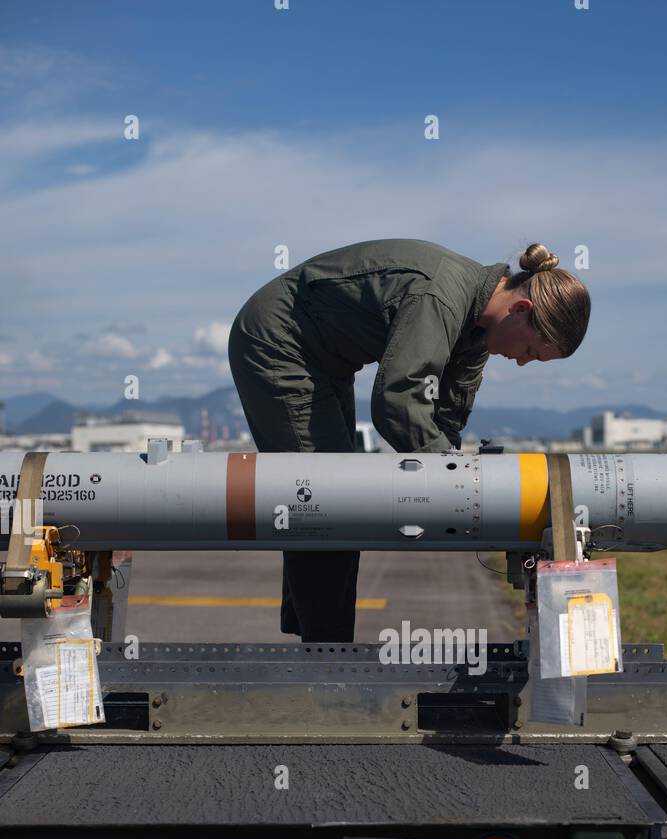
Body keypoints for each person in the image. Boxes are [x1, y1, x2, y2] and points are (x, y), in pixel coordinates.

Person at [227, 239, 591, 640]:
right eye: (530, 351)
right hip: (278, 344)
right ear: (521, 310)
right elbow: (397, 401)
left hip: (324, 365)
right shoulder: (441, 298)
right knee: (323, 508)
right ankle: (325, 659)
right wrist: (448, 480)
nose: (522, 361)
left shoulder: (479, 324)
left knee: (329, 505)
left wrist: (450, 463)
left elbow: (448, 409)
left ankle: (316, 639)